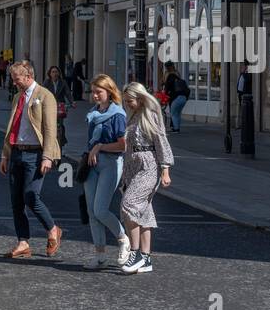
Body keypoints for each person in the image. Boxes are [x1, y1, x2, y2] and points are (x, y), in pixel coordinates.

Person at [0, 60, 62, 259]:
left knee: (31, 196)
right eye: (13, 79)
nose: (14, 83)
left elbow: (51, 129)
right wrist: (5, 154)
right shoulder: (18, 97)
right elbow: (12, 126)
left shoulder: (45, 96)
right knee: (16, 201)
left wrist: (47, 157)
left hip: (36, 154)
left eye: (17, 79)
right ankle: (23, 242)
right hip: (17, 151)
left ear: (29, 77)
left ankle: (52, 229)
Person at [119, 81, 173, 274]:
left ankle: (135, 254)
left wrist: (165, 170)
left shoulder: (151, 115)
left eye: (130, 101)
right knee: (144, 212)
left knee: (129, 204)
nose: (127, 104)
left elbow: (161, 142)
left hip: (148, 166)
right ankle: (147, 258)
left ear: (140, 98)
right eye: (125, 101)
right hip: (132, 167)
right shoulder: (132, 115)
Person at [82, 74, 129, 270]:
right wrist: (93, 149)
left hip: (110, 163)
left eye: (98, 92)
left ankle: (123, 238)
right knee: (92, 212)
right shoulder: (94, 113)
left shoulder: (118, 115)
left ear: (109, 92)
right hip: (92, 164)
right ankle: (100, 256)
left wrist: (100, 146)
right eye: (93, 92)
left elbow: (122, 146)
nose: (95, 96)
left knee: (101, 209)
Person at [44, 64, 74, 150]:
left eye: (56, 72)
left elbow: (68, 93)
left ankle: (62, 139)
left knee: (60, 124)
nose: (55, 74)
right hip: (49, 106)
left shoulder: (63, 82)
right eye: (53, 72)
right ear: (50, 74)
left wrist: (72, 102)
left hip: (60, 106)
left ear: (59, 73)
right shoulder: (47, 82)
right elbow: (42, 93)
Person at [163, 64, 190, 132]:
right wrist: (186, 98)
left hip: (175, 98)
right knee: (178, 113)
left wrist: (164, 96)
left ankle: (175, 128)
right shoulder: (180, 79)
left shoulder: (170, 76)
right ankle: (176, 127)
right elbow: (188, 90)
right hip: (183, 98)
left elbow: (167, 87)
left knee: (173, 113)